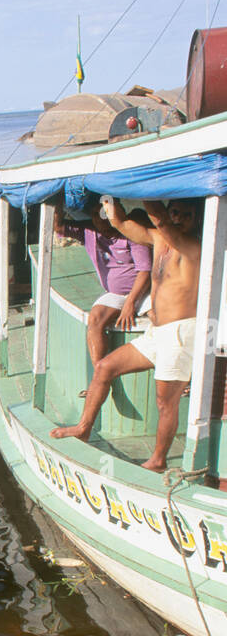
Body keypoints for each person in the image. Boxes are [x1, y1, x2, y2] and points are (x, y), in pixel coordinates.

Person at [51, 198, 202, 472]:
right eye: (175, 212)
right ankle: (83, 428)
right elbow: (121, 224)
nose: (179, 218)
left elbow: (160, 220)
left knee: (164, 402)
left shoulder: (192, 247)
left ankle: (157, 460)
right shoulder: (160, 241)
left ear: (197, 221)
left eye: (187, 215)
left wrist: (146, 186)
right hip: (158, 333)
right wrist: (110, 202)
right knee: (105, 367)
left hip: (180, 334)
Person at [54, 202, 152, 371]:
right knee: (95, 319)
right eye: (95, 215)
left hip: (143, 291)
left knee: (162, 318)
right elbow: (58, 226)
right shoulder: (89, 231)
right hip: (115, 293)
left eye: (105, 214)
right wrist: (57, 197)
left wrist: (130, 303)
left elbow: (144, 272)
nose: (100, 219)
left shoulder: (131, 231)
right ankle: (100, 373)